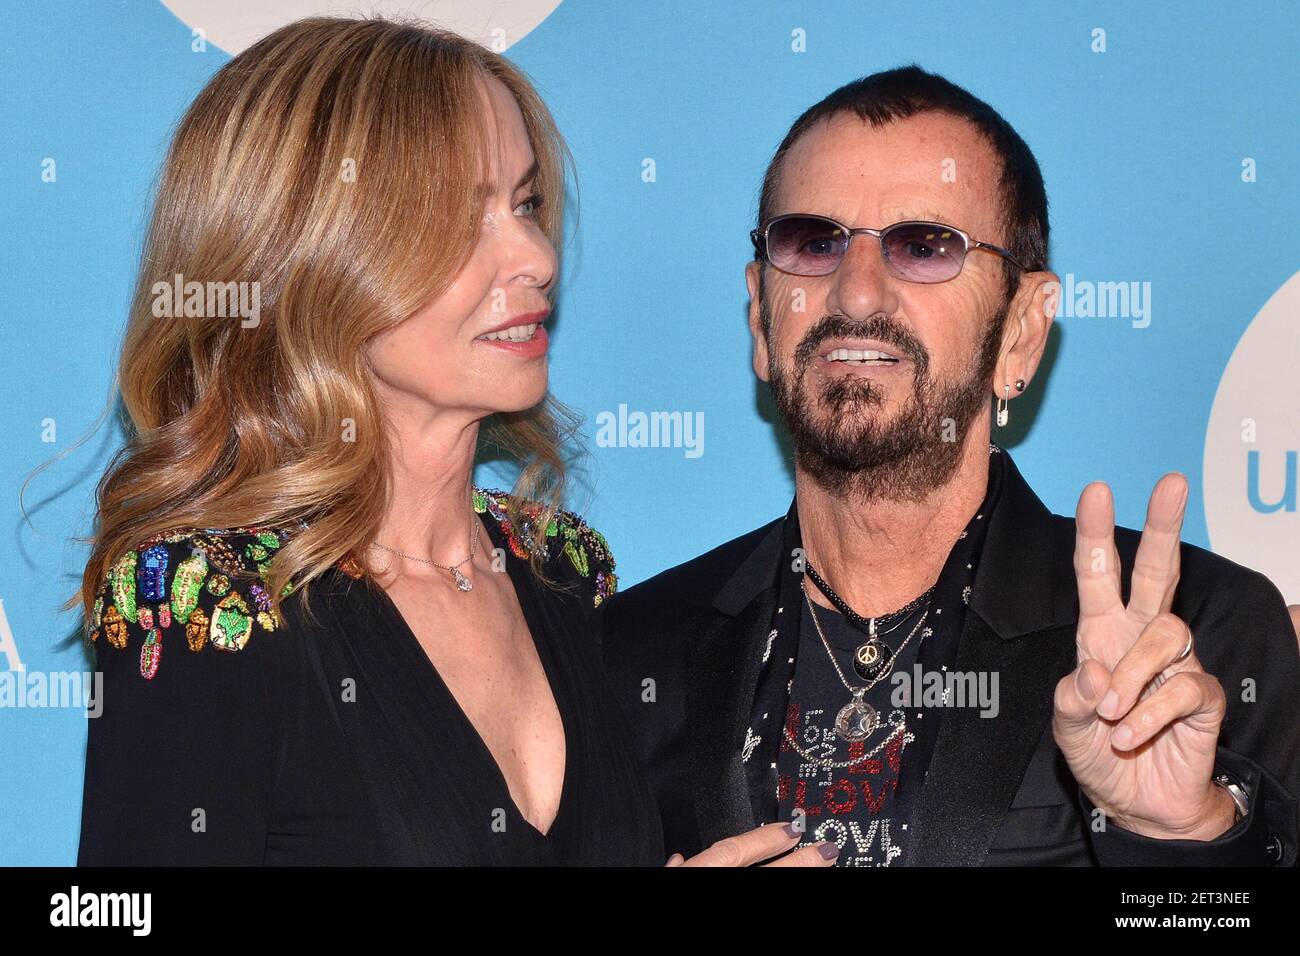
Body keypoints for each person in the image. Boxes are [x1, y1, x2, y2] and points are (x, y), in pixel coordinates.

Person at [74, 16, 831, 868]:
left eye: (527, 203)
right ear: (306, 256)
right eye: (460, 219)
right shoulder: (207, 601)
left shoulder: (564, 569)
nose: (537, 257)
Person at [599, 65, 1300, 867]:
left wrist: (1183, 837)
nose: (857, 294)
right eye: (814, 241)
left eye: (924, 246)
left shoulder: (1196, 636)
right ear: (761, 315)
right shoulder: (630, 652)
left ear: (1022, 334)